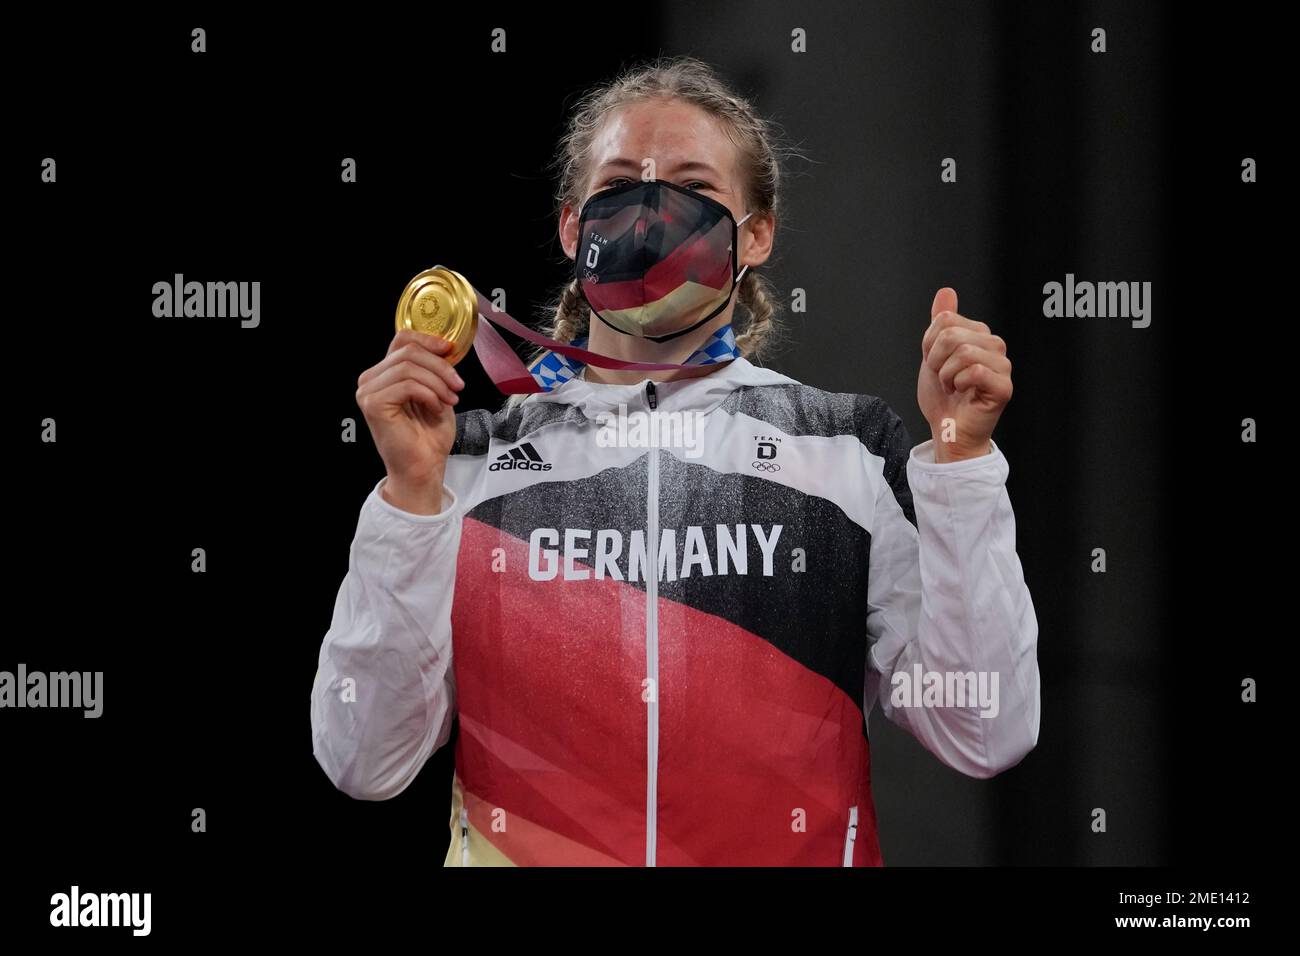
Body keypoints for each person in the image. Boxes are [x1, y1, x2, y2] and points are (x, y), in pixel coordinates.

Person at [310, 55, 1040, 866]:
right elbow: (363, 759)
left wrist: (963, 461)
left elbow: (988, 728)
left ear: (757, 233)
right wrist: (408, 498)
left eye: (693, 185)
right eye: (621, 181)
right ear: (571, 226)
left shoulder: (844, 453)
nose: (653, 213)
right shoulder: (467, 463)